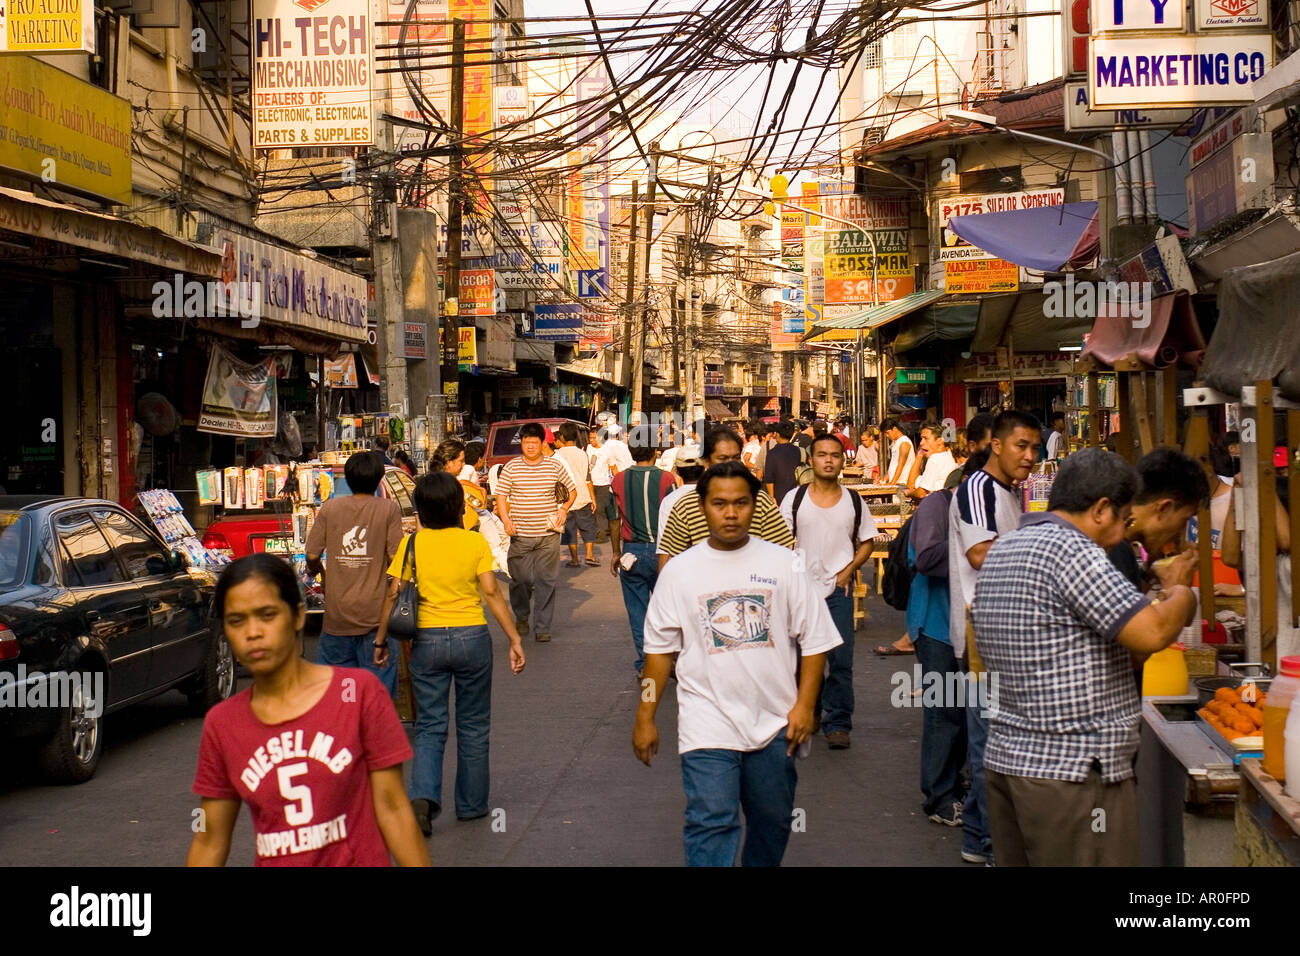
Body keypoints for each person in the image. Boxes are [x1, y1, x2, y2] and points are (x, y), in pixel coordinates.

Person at [973, 449, 1198, 866]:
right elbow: (1151, 633)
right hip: (1073, 772)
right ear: (1100, 509)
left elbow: (1084, 649)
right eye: (1123, 520)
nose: (1122, 537)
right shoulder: (1073, 551)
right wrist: (1181, 590)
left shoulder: (1006, 549)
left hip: (1011, 760)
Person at [634, 461, 842, 867]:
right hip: (705, 720)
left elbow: (816, 640)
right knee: (710, 820)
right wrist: (645, 715)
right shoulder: (678, 571)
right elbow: (658, 652)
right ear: (703, 506)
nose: (731, 513)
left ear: (756, 506)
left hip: (774, 721)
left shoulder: (786, 564)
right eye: (720, 504)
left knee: (773, 820)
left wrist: (804, 706)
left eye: (741, 504)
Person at [188, 555, 430, 867]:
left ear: (298, 616)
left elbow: (393, 808)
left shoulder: (359, 694)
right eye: (237, 621)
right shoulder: (222, 725)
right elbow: (210, 839)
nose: (253, 632)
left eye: (267, 615)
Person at [374, 472, 526, 832]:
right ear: (458, 506)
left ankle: (424, 799)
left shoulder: (412, 545)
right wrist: (514, 639)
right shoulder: (473, 544)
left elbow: (393, 595)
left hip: (426, 642)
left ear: (420, 509)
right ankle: (471, 805)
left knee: (430, 725)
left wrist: (381, 641)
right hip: (472, 638)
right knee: (473, 725)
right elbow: (491, 593)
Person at [944, 409, 1040, 862]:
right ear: (997, 445)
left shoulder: (1007, 493)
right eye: (1021, 446)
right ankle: (985, 842)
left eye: (1035, 448)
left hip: (1001, 628)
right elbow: (981, 553)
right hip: (983, 629)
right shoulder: (979, 489)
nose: (1030, 456)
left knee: (995, 738)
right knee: (988, 743)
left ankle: (983, 839)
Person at [909, 451, 987, 855]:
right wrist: (969, 545)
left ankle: (957, 788)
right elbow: (925, 558)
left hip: (970, 627)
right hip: (936, 625)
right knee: (944, 713)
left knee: (966, 713)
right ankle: (939, 796)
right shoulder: (936, 507)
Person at [779, 434, 878, 750]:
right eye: (822, 454)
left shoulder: (854, 501)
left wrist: (846, 572)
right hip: (800, 592)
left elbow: (867, 542)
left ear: (842, 460)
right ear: (811, 459)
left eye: (835, 455)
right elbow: (779, 544)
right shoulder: (794, 500)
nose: (829, 460)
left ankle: (838, 723)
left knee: (840, 660)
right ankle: (809, 711)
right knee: (799, 659)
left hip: (839, 592)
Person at [305, 451, 403, 698]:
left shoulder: (330, 509)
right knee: (376, 699)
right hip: (376, 618)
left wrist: (321, 573)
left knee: (340, 700)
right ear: (379, 478)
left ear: (348, 478)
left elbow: (312, 555)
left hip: (337, 619)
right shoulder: (389, 509)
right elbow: (397, 559)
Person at [659, 427, 795, 571]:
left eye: (735, 458)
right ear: (706, 461)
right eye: (722, 458)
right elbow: (668, 560)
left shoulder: (759, 500)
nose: (731, 464)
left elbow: (784, 549)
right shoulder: (685, 506)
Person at [494, 422, 577, 644]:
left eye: (534, 442)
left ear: (542, 444)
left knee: (546, 581)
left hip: (548, 535)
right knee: (520, 580)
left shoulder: (554, 466)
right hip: (520, 534)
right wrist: (506, 519)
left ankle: (542, 627)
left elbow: (572, 492)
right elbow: (501, 496)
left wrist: (563, 509)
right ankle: (522, 615)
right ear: (521, 444)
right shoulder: (511, 467)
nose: (530, 446)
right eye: (526, 442)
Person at [608, 438, 677, 677]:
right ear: (655, 453)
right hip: (664, 551)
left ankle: (647, 664)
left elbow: (613, 518)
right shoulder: (667, 479)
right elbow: (675, 517)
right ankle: (670, 658)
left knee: (638, 613)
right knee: (668, 610)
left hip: (631, 551)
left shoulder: (618, 480)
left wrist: (616, 551)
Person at [1108, 448, 1209, 591]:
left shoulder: (1119, 543)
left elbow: (1129, 604)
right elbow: (1134, 614)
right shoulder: (1113, 547)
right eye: (1184, 520)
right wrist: (1175, 588)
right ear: (1163, 508)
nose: (1180, 533)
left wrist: (1149, 572)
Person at [553, 422, 599, 568]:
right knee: (588, 526)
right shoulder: (582, 453)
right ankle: (590, 555)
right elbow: (588, 478)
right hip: (582, 495)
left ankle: (574, 559)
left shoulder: (557, 455)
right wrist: (593, 498)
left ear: (561, 436)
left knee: (570, 529)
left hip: (566, 499)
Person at [589, 422, 632, 544]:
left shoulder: (607, 446)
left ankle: (607, 531)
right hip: (624, 477)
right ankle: (621, 531)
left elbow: (612, 466)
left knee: (606, 509)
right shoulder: (622, 446)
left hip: (610, 480)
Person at [907, 422, 957, 500]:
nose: (921, 443)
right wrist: (919, 455)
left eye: (926, 438)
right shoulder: (948, 456)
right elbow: (913, 483)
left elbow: (919, 492)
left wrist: (908, 493)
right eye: (921, 439)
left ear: (940, 440)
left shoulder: (936, 458)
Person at [763, 420, 803, 505]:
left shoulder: (772, 453)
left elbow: (769, 478)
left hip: (779, 496)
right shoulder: (797, 451)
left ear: (777, 434)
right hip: (794, 495)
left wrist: (772, 497)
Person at [881, 418, 919, 488]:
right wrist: (883, 480)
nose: (887, 436)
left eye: (887, 433)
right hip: (895, 483)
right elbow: (892, 466)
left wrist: (892, 483)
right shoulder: (896, 443)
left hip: (902, 483)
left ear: (894, 429)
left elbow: (900, 465)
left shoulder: (904, 443)